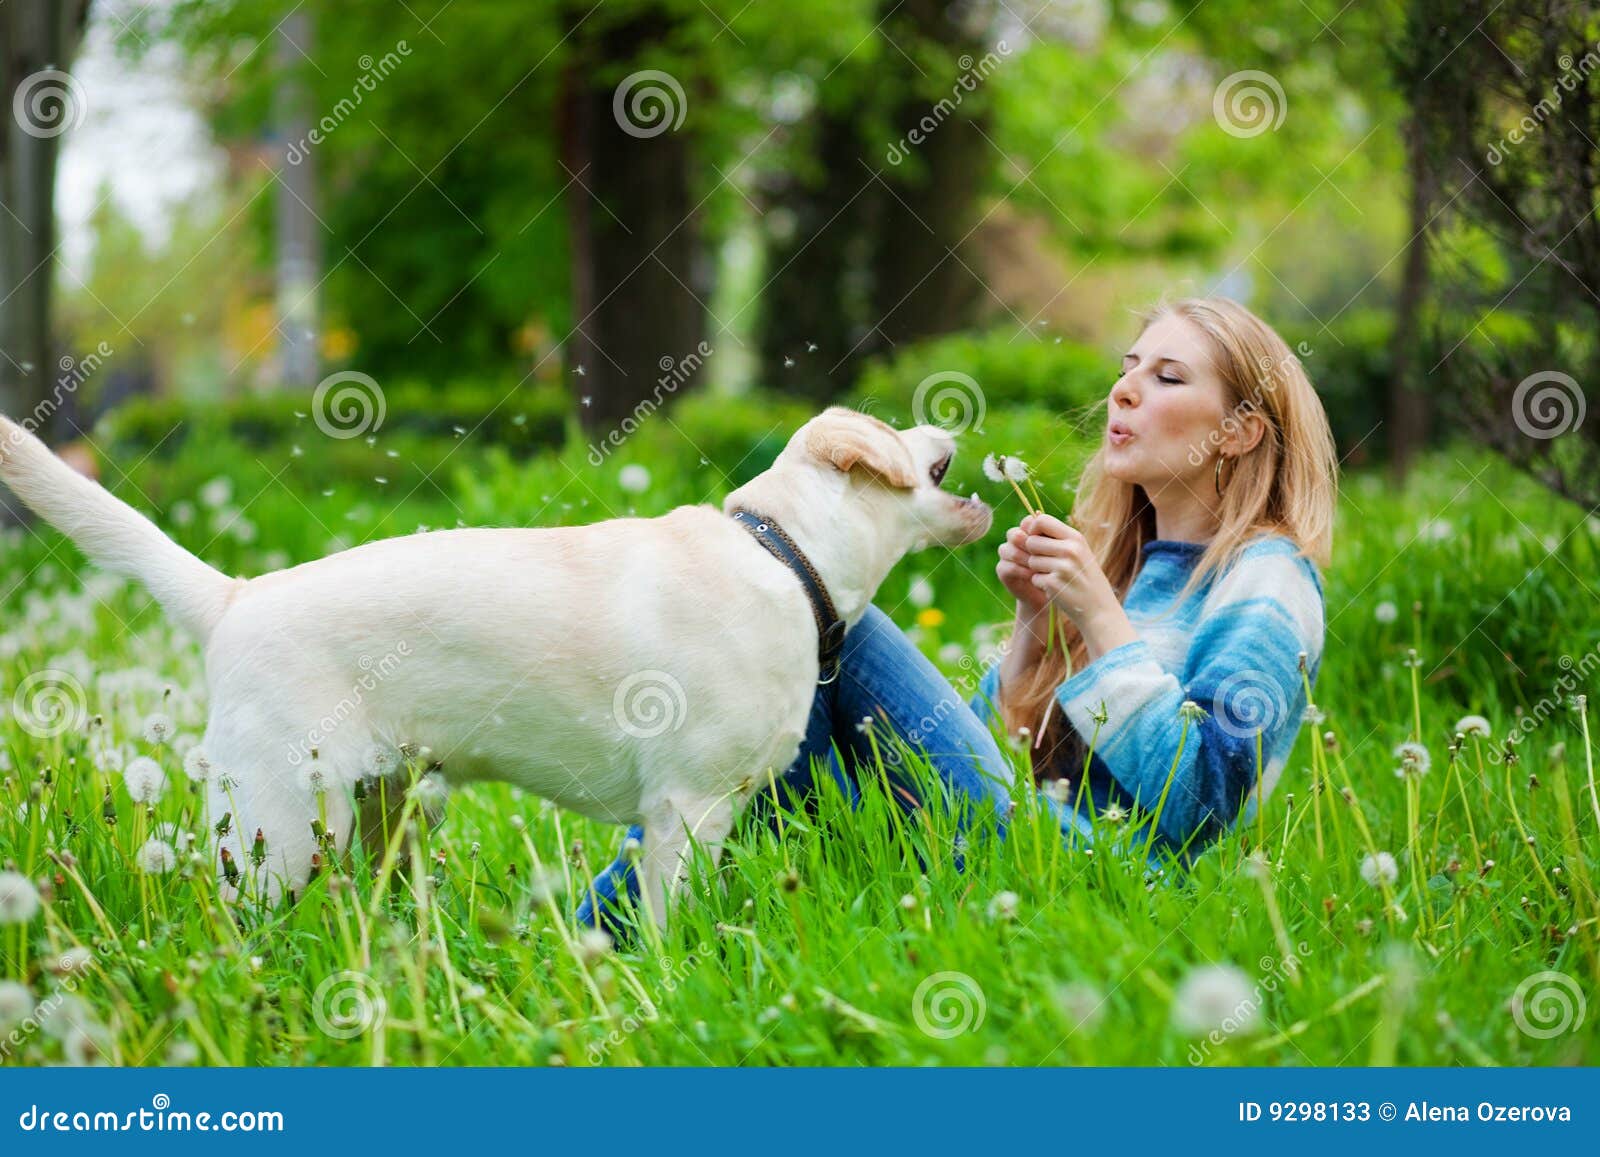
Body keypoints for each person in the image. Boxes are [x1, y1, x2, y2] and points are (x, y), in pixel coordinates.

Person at [576, 296, 1336, 930]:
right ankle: (687, 907)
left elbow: (1205, 801)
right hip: (1004, 855)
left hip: (1093, 885)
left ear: (1238, 431)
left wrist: (1102, 623)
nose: (1126, 391)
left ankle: (607, 926)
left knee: (811, 608)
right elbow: (1006, 768)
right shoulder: (1126, 566)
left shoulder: (1268, 577)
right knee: (794, 667)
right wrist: (1033, 637)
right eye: (1127, 369)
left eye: (1168, 377)